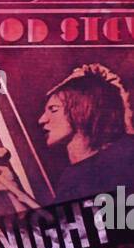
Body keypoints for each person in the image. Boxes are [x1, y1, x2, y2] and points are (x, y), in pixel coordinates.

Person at [38, 63, 134, 203]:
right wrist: (13, 189)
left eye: (53, 109)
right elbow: (61, 224)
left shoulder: (125, 152)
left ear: (82, 108)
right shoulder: (70, 176)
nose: (42, 120)